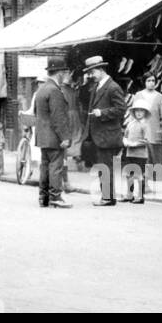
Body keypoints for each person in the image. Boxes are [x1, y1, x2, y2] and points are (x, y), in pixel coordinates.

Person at [81, 55, 126, 206]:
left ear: (100, 70)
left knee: (106, 167)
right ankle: (107, 196)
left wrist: (103, 113)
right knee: (103, 167)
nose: (90, 75)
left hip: (107, 136)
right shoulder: (97, 87)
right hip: (99, 136)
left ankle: (107, 198)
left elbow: (121, 109)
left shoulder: (113, 87)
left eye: (92, 72)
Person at [33, 57, 76, 209]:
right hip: (54, 136)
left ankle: (43, 196)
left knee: (45, 166)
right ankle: (55, 197)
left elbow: (36, 112)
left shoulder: (41, 89)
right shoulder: (55, 91)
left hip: (42, 135)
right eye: (64, 72)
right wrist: (65, 137)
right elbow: (58, 117)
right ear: (59, 73)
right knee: (56, 166)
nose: (65, 75)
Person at [129, 73, 162, 195]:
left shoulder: (159, 96)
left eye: (153, 80)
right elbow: (133, 113)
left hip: (154, 131)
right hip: (140, 132)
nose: (151, 83)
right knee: (142, 158)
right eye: (149, 80)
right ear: (144, 82)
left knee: (153, 158)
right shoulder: (138, 95)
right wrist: (131, 128)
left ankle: (147, 184)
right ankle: (143, 185)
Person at [121, 106, 152, 203]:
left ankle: (140, 196)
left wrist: (134, 144)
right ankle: (129, 195)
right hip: (129, 153)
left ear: (145, 113)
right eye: (137, 111)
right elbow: (125, 136)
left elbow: (146, 140)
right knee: (128, 174)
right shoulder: (130, 123)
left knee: (139, 175)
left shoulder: (145, 125)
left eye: (141, 111)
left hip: (140, 154)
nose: (139, 113)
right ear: (133, 112)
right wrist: (125, 141)